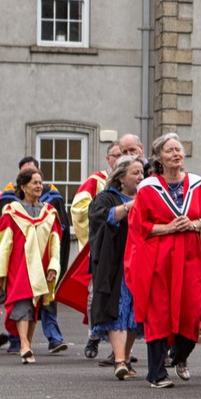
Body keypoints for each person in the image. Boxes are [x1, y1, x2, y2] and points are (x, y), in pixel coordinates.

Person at [126, 134, 201, 388]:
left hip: (190, 259)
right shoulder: (147, 189)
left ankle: (180, 355)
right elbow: (139, 227)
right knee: (158, 315)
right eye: (169, 151)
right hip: (158, 260)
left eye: (178, 149)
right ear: (158, 158)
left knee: (190, 312)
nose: (176, 154)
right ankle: (156, 374)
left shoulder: (199, 186)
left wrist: (195, 223)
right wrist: (167, 228)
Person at [0, 167, 61, 363]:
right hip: (18, 267)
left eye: (40, 182)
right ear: (23, 186)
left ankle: (26, 344)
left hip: (41, 266)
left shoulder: (49, 212)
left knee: (34, 306)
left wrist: (53, 266)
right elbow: (3, 243)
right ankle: (24, 345)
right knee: (21, 304)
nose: (39, 186)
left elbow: (55, 240)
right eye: (34, 182)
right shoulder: (12, 211)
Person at [86, 155, 146, 379]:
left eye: (142, 173)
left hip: (140, 261)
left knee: (134, 312)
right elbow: (101, 219)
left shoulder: (147, 196)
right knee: (118, 308)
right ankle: (119, 359)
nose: (141, 177)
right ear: (121, 177)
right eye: (135, 173)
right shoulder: (106, 198)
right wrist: (129, 207)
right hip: (115, 263)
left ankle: (127, 357)